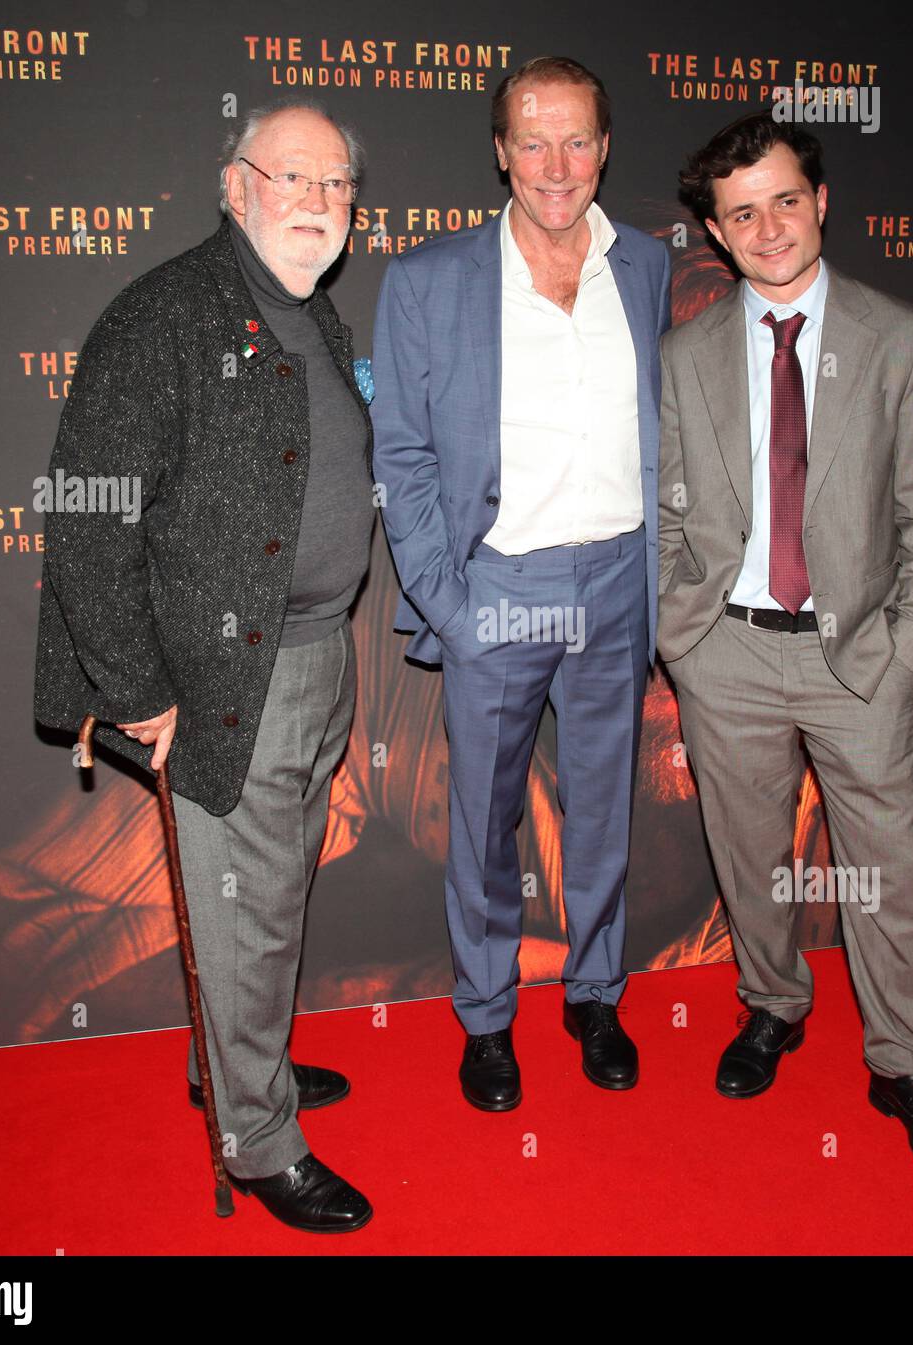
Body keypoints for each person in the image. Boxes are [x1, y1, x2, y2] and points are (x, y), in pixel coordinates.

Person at [33, 97, 377, 1230]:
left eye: (336, 187)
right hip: (228, 677)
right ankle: (257, 1137)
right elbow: (87, 523)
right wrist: (136, 691)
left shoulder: (308, 311)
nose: (318, 206)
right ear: (235, 187)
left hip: (319, 652)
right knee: (250, 906)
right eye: (293, 179)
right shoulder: (163, 317)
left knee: (271, 895)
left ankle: (235, 1068)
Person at [658, 111, 913, 1179]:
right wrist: (684, 638)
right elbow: (666, 512)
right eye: (741, 212)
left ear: (821, 202)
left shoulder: (900, 335)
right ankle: (772, 1007)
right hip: (729, 655)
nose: (768, 227)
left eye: (784, 201)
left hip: (861, 657)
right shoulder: (686, 352)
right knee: (750, 859)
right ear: (714, 229)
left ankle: (904, 1064)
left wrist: (911, 651)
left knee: (886, 872)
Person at [370, 56, 671, 1109]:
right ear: (500, 151)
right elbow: (401, 458)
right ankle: (488, 1017)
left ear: (604, 148)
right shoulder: (427, 280)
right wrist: (451, 608)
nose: (557, 164)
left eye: (578, 139)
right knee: (484, 820)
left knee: (601, 810)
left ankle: (594, 993)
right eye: (533, 140)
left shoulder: (643, 266)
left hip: (618, 576)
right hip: (495, 585)